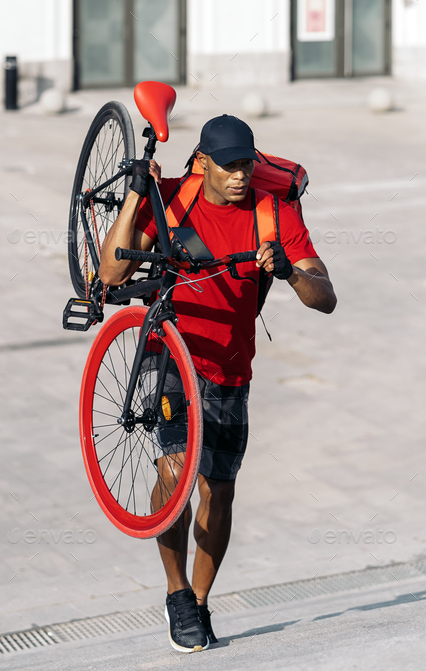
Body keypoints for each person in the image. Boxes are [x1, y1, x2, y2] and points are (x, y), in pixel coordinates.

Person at [98, 114, 337, 653]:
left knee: (220, 488)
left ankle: (201, 602)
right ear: (201, 162)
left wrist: (289, 273)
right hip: (171, 355)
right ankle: (177, 591)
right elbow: (112, 274)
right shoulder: (172, 199)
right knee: (176, 471)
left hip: (231, 366)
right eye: (228, 165)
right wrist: (138, 196)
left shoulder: (272, 213)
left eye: (246, 164)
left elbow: (326, 296)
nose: (240, 175)